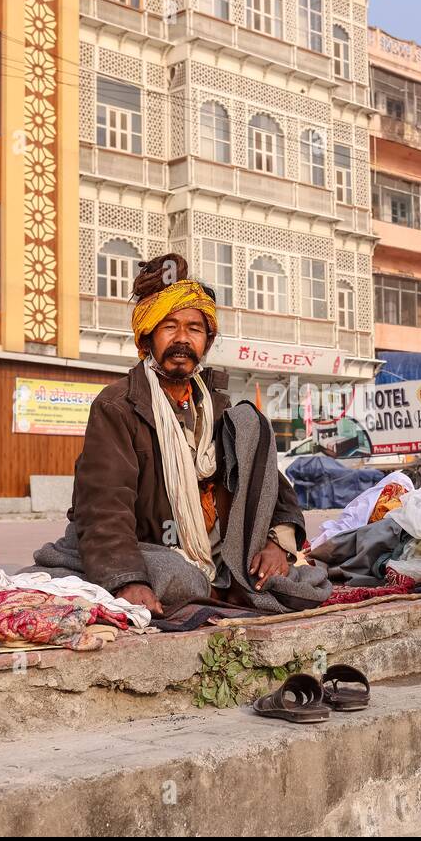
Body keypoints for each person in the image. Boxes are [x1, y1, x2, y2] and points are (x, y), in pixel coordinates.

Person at [67, 254, 307, 617]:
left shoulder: (225, 412)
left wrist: (277, 545)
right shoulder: (118, 407)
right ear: (147, 337)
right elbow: (103, 505)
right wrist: (128, 579)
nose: (182, 339)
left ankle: (219, 584)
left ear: (207, 341)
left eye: (194, 329)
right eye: (169, 327)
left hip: (223, 559)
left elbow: (272, 487)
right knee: (179, 577)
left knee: (292, 585)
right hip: (154, 550)